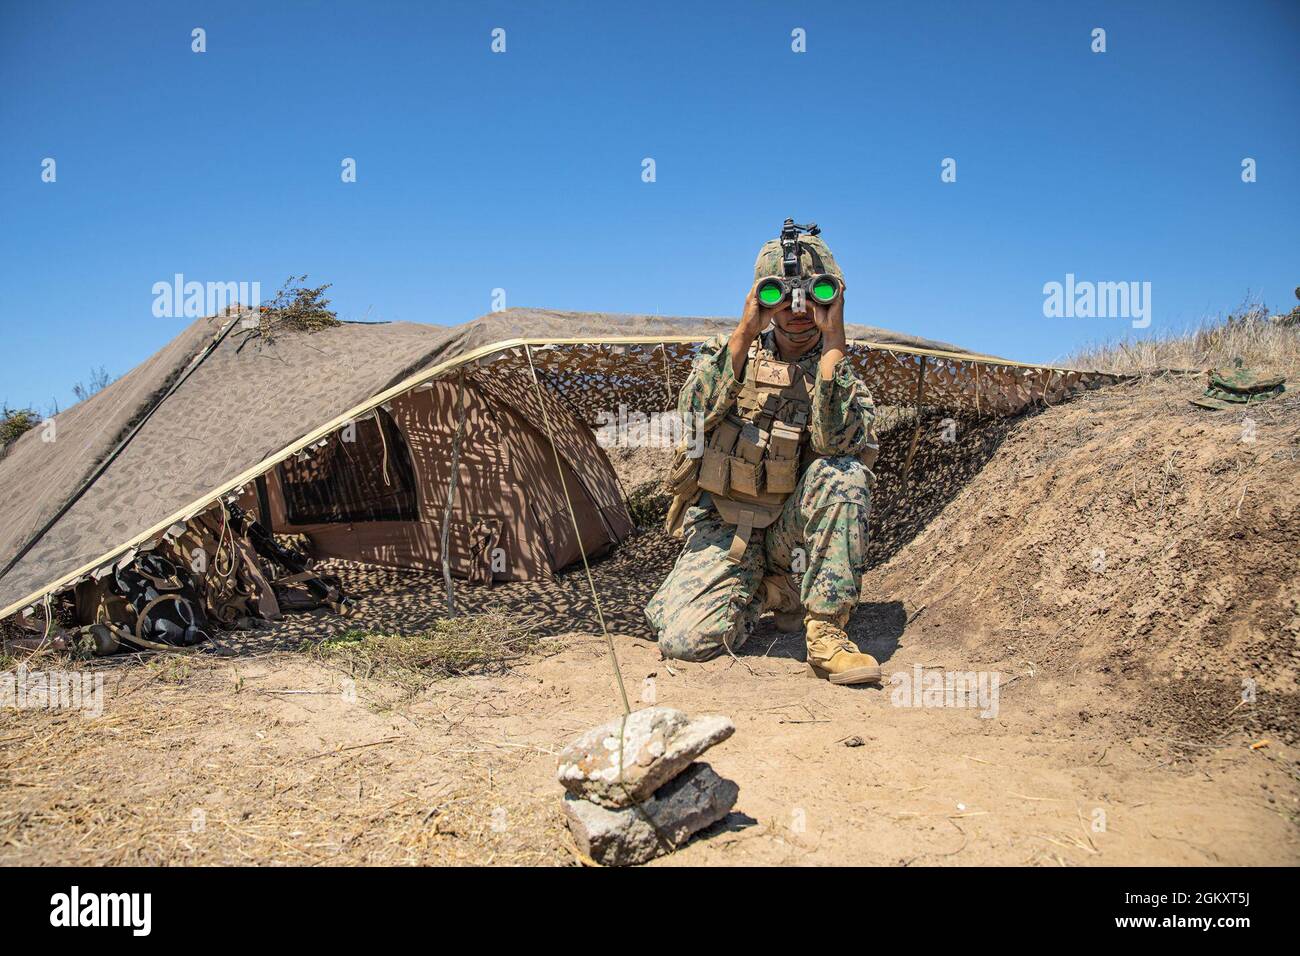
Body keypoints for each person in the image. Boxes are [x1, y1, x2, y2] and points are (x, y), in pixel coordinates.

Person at [645, 225, 883, 685]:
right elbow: (693, 419)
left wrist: (833, 349)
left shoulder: (842, 373)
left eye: (816, 295)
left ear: (834, 298)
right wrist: (744, 332)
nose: (798, 309)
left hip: (787, 534)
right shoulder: (729, 352)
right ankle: (772, 594)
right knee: (686, 644)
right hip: (723, 526)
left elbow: (837, 446)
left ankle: (826, 632)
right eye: (782, 295)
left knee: (844, 475)